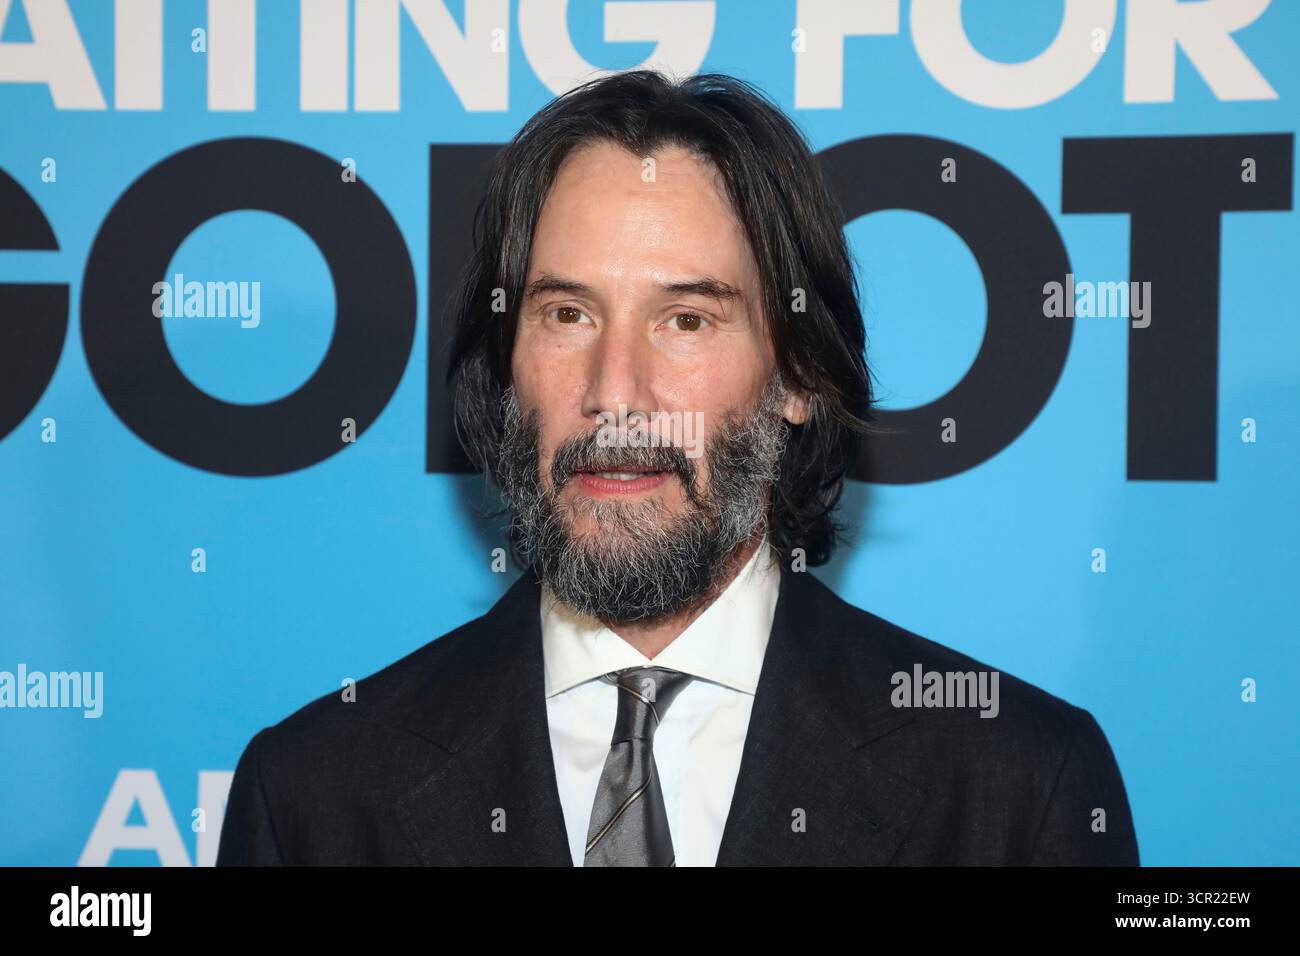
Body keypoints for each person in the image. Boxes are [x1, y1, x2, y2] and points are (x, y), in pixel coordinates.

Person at [216, 69, 1138, 867]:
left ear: (800, 374)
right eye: (566, 314)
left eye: (686, 319)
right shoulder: (313, 798)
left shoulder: (1016, 788)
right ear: (506, 370)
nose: (616, 392)